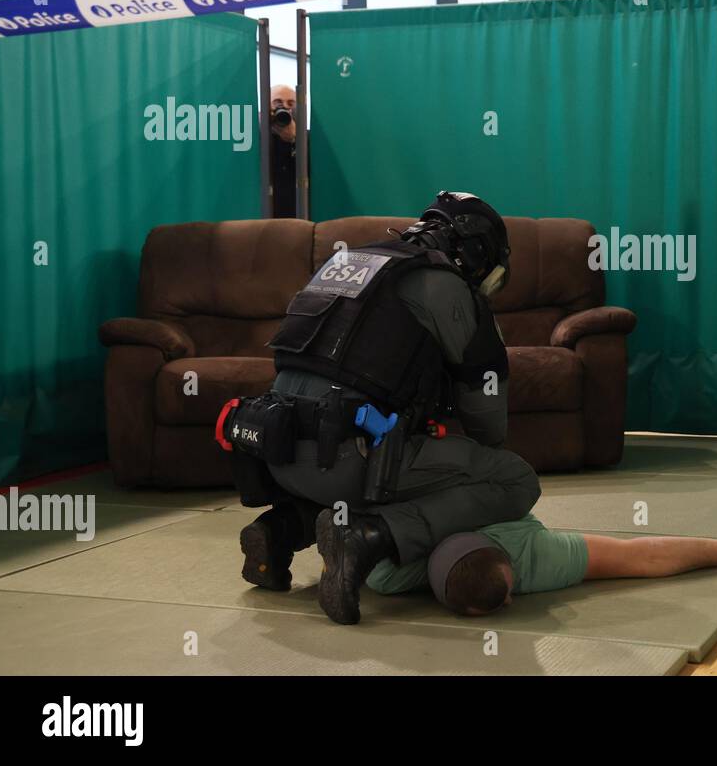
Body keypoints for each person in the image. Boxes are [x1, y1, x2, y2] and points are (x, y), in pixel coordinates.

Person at [226, 191, 539, 624]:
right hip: (347, 461)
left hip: (278, 453)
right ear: (474, 253)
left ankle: (279, 532)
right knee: (514, 479)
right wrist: (482, 452)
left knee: (367, 449)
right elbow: (486, 416)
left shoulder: (346, 263)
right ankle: (365, 537)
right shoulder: (444, 284)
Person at [364, 513, 717, 616]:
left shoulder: (534, 554)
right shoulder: (392, 574)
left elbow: (646, 554)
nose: (514, 597)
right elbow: (644, 558)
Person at [268, 84, 298, 218]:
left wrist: (294, 140)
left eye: (291, 104)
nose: (285, 108)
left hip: (297, 215)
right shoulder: (254, 141)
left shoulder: (308, 140)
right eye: (278, 103)